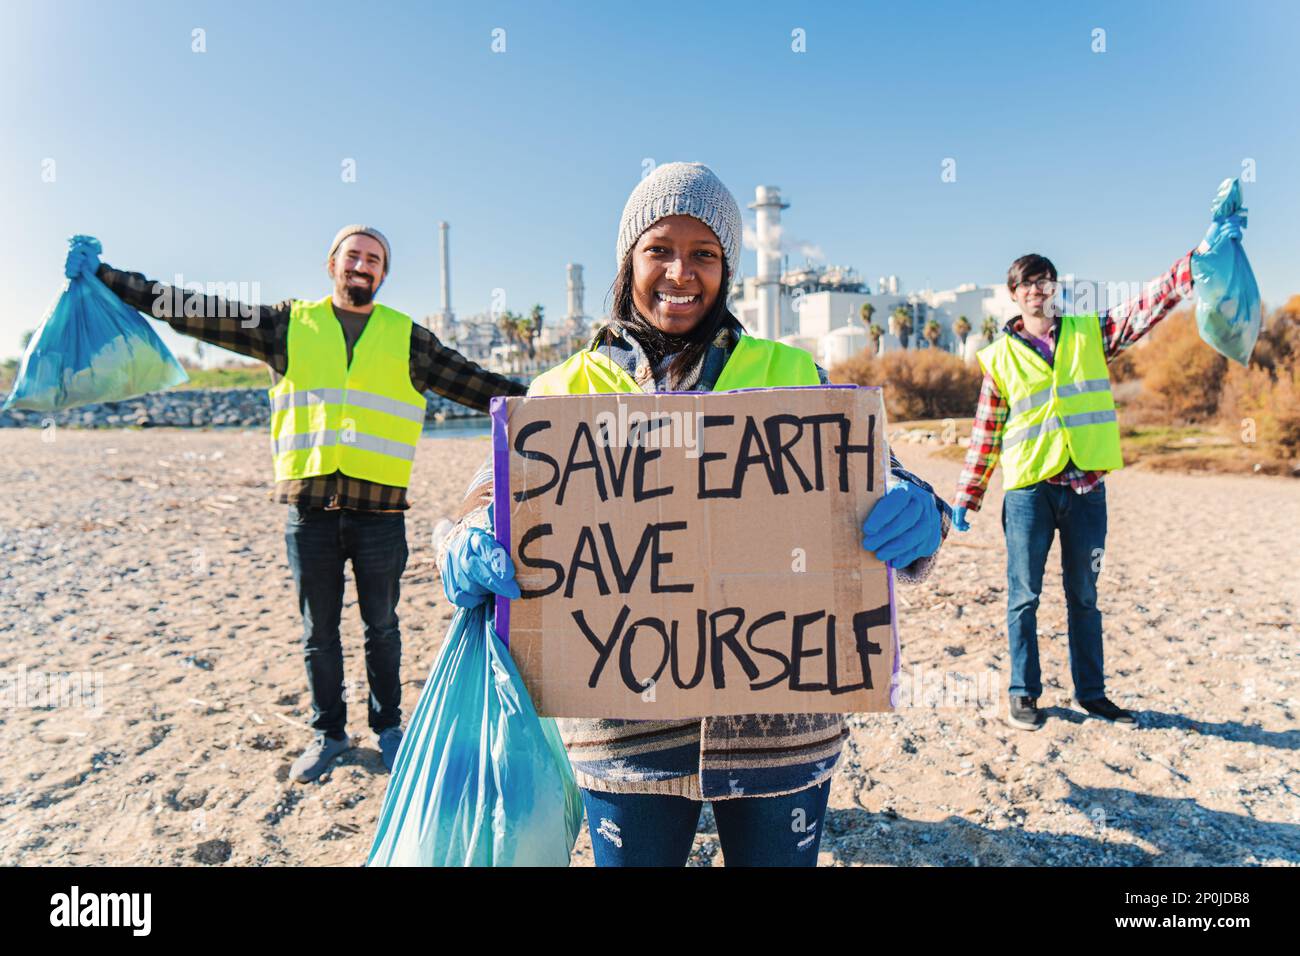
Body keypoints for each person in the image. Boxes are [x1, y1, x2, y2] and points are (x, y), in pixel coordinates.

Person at [432, 163, 949, 866]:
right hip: (621, 728)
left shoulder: (789, 371)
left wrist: (922, 513)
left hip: (781, 727)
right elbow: (480, 501)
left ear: (727, 268)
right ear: (628, 261)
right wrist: (462, 544)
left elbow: (879, 470)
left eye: (704, 253)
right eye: (660, 250)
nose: (681, 272)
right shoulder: (564, 389)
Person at [64, 227, 528, 782]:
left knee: (382, 627)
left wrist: (574, 399)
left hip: (380, 518)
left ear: (384, 274)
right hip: (308, 516)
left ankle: (389, 728)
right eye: (353, 255)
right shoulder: (289, 326)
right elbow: (194, 311)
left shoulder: (408, 339)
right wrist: (111, 280)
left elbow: (487, 388)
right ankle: (328, 733)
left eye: (373, 259)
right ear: (332, 264)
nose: (362, 264)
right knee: (319, 632)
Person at [950, 214, 1245, 733]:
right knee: (1024, 597)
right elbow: (986, 433)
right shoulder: (998, 359)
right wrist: (967, 496)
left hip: (1086, 493)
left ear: (1055, 288)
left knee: (1084, 597)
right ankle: (1024, 694)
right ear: (1014, 295)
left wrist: (1193, 263)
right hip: (1028, 495)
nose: (1040, 290)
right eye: (1029, 284)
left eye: (1047, 281)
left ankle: (1093, 694)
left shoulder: (1091, 334)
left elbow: (1146, 306)